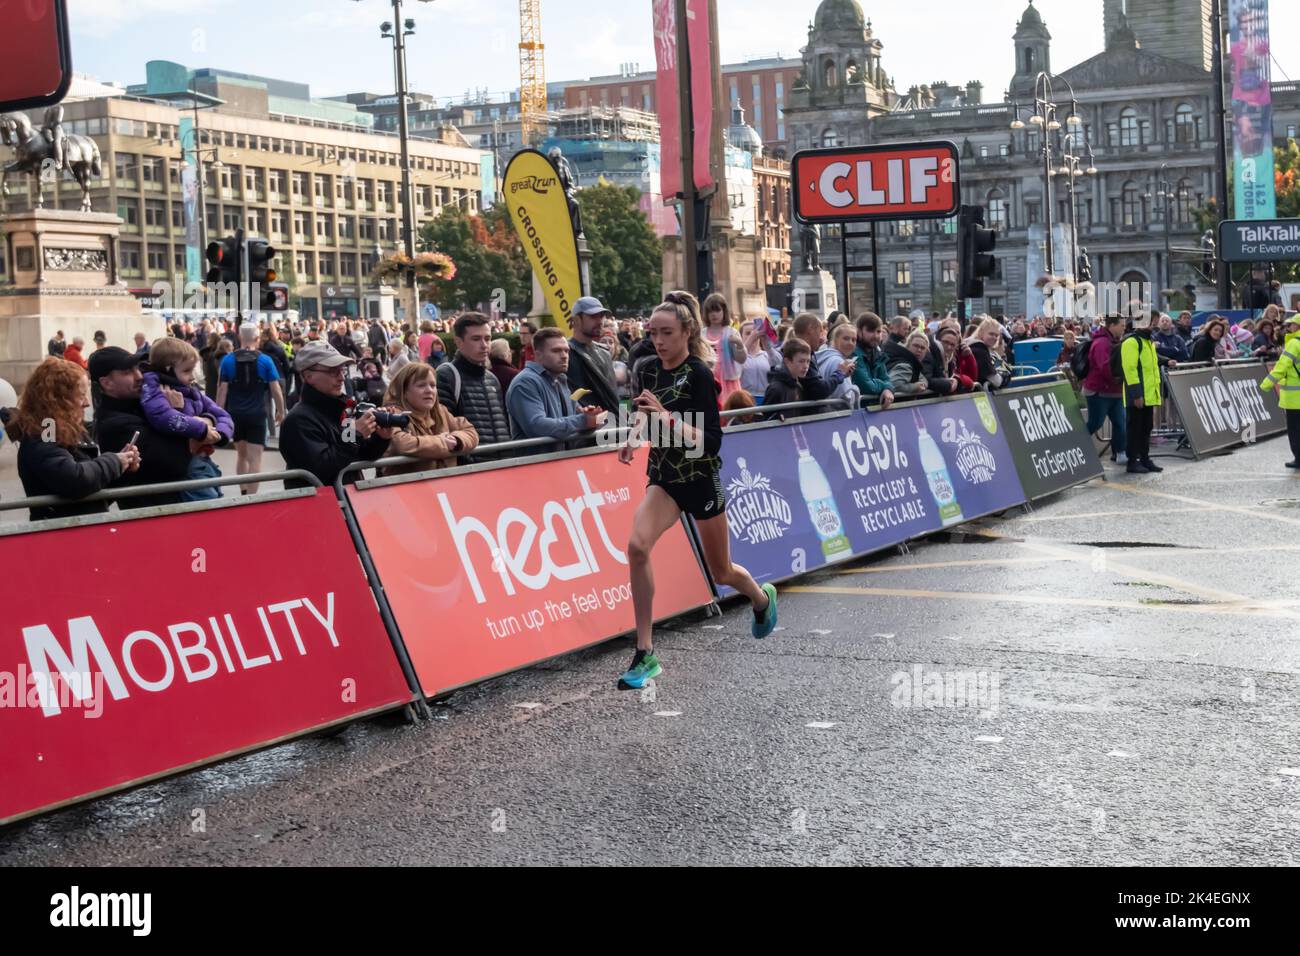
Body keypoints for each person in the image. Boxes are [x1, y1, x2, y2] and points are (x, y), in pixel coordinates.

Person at [616, 290, 776, 690]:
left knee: (722, 571)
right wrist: (635, 436)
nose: (658, 340)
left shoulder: (701, 374)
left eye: (666, 332)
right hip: (665, 477)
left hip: (700, 478)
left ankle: (760, 599)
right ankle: (645, 652)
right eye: (653, 333)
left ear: (687, 331)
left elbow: (709, 441)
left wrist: (666, 419)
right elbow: (644, 413)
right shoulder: (648, 368)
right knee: (637, 547)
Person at [6, 357, 140, 520]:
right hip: (59, 533)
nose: (86, 403)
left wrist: (123, 467)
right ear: (58, 398)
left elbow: (91, 492)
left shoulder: (66, 426)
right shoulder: (44, 431)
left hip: (78, 528)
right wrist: (114, 462)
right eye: (81, 395)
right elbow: (73, 480)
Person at [280, 341, 394, 488]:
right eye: (333, 371)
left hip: (347, 502)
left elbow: (361, 454)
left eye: (343, 370)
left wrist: (381, 437)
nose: (341, 377)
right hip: (320, 506)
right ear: (308, 376)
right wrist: (355, 434)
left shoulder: (339, 409)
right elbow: (322, 468)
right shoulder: (298, 420)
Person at [90, 346, 193, 508]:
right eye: (127, 372)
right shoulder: (116, 424)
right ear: (107, 383)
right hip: (155, 514)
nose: (139, 376)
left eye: (137, 368)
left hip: (173, 506)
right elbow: (176, 462)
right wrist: (176, 414)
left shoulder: (145, 405)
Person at [139, 336, 233, 502]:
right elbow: (162, 416)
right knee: (208, 512)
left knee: (218, 506)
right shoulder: (155, 389)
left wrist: (221, 434)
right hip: (189, 466)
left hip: (203, 460)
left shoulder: (190, 390)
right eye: (186, 371)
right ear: (168, 369)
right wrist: (201, 428)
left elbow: (222, 414)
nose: (192, 377)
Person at [505, 327, 607, 445]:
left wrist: (589, 415)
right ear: (538, 355)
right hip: (537, 461)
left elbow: (574, 417)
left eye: (566, 351)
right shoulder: (525, 382)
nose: (564, 356)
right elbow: (537, 426)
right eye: (556, 351)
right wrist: (584, 421)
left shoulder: (560, 379)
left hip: (562, 460)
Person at [216, 324, 286, 495]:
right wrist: (281, 411)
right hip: (257, 414)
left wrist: (219, 414)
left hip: (236, 414)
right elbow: (275, 389)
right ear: (257, 338)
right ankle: (252, 497)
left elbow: (222, 390)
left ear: (240, 338)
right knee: (255, 458)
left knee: (241, 455)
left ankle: (243, 491)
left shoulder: (228, 360)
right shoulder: (265, 360)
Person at [379, 362, 479, 477]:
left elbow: (470, 431)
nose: (429, 390)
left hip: (446, 487)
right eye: (421, 385)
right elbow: (402, 444)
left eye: (433, 385)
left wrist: (456, 440)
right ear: (404, 391)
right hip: (407, 490)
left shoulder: (441, 411)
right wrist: (443, 443)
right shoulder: (392, 414)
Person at [436, 312, 512, 449]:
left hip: (502, 463)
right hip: (471, 465)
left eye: (488, 338)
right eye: (476, 339)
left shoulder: (492, 379)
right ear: (459, 342)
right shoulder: (447, 375)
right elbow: (443, 426)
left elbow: (503, 423)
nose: (484, 345)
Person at [1121, 313, 1174, 474]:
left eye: (1154, 323)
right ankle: (1133, 461)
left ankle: (1144, 458)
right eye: (1151, 323)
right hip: (1138, 395)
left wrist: (1165, 361)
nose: (1154, 326)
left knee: (1146, 428)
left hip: (1149, 394)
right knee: (1135, 428)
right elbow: (1130, 370)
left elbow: (1152, 360)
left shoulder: (1147, 341)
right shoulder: (1131, 342)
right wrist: (1137, 394)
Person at [1082, 315, 1128, 465]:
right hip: (1099, 392)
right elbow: (1105, 368)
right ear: (1112, 325)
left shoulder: (1113, 341)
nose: (1124, 328)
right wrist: (1122, 378)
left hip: (1113, 391)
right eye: (1121, 325)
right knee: (1095, 423)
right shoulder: (1102, 343)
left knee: (1120, 422)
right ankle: (1075, 446)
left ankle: (1120, 453)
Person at [566, 296, 620, 414]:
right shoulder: (565, 352)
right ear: (577, 320)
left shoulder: (604, 353)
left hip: (613, 424)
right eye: (593, 316)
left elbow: (613, 394)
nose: (600, 320)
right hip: (584, 425)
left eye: (601, 316)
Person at [1260, 315, 1300, 468]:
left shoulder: (1294, 344)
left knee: (1296, 430)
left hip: (1295, 397)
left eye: (1291, 324)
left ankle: (1299, 458)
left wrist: (1265, 384)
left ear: (1297, 326)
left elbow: (1281, 368)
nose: (1288, 327)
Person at [762, 338, 829, 417]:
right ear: (787, 361)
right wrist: (776, 417)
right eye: (801, 361)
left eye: (808, 361)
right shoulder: (776, 388)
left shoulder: (799, 384)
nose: (806, 366)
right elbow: (766, 417)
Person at [701, 292, 746, 404]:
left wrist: (739, 344)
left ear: (724, 311)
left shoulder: (731, 332)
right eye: (710, 311)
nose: (714, 314)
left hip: (728, 380)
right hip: (708, 378)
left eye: (717, 310)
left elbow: (741, 359)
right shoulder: (702, 334)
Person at [852, 313, 895, 408]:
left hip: (874, 411)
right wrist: (885, 386)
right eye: (870, 330)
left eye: (879, 331)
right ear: (859, 331)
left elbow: (887, 379)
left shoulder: (877, 353)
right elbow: (866, 386)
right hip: (857, 413)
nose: (876, 336)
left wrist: (888, 389)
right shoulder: (853, 353)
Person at [738, 317, 782, 399]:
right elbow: (735, 368)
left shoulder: (766, 355)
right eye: (748, 333)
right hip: (745, 398)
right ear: (741, 336)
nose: (753, 335)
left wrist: (767, 345)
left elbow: (779, 364)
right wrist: (750, 339)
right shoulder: (738, 357)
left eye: (755, 332)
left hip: (766, 397)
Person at [967, 317, 1009, 389]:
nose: (994, 338)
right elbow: (997, 381)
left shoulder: (970, 345)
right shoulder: (980, 350)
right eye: (991, 334)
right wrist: (1004, 375)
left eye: (996, 335)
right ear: (981, 332)